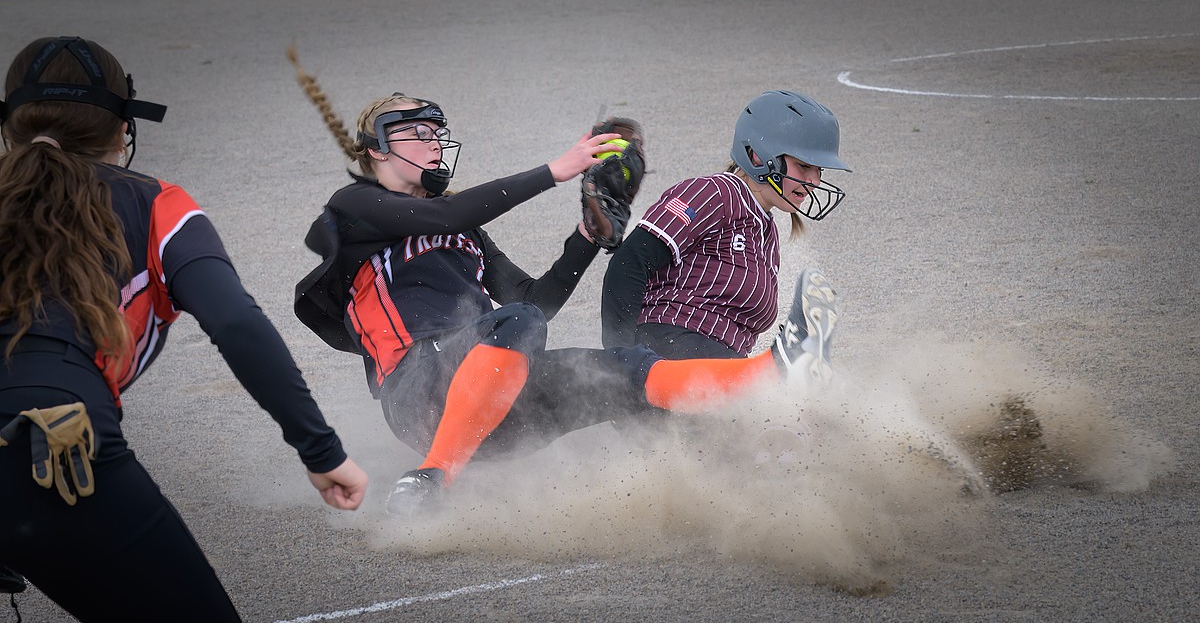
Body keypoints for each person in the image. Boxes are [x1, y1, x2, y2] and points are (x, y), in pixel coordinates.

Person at [290, 56, 837, 520]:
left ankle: (773, 370)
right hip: (417, 392)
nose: (431, 142)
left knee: (620, 370)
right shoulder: (355, 207)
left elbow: (534, 300)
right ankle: (431, 479)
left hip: (494, 411)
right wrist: (557, 169)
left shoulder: (463, 232)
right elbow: (454, 216)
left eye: (435, 132)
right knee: (518, 325)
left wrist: (587, 237)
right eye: (413, 133)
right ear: (375, 151)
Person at [0, 37, 368, 622]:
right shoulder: (156, 204)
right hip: (53, 436)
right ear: (124, 128)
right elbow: (235, 322)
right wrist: (320, 450)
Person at [601, 90, 850, 361]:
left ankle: (780, 366)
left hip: (715, 363)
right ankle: (784, 361)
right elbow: (630, 261)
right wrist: (620, 361)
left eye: (819, 170)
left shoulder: (765, 233)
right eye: (804, 166)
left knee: (780, 398)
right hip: (667, 345)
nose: (814, 181)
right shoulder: (716, 193)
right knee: (765, 390)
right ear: (757, 157)